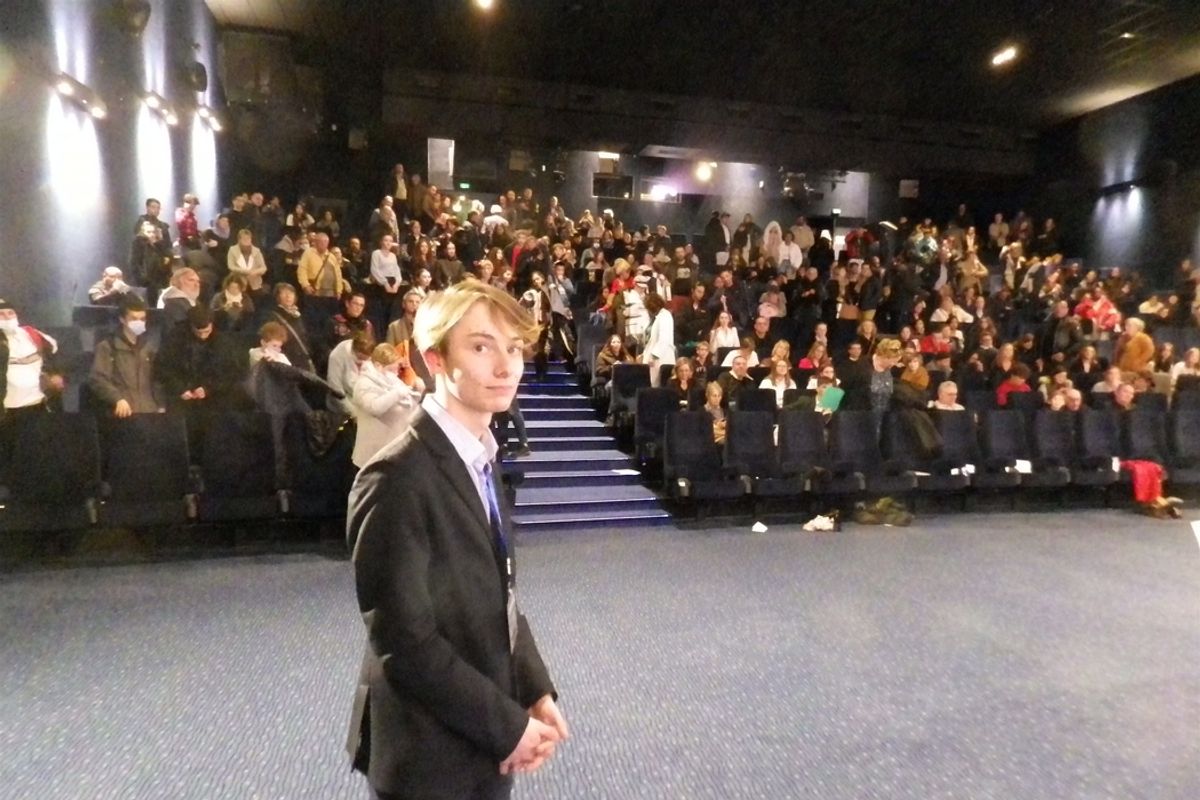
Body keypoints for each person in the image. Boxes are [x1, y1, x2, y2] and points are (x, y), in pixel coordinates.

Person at [345, 282, 566, 799]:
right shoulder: (394, 478)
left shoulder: (483, 457)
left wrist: (533, 688)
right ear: (434, 359)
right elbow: (404, 642)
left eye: (513, 348)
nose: (506, 366)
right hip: (429, 756)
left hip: (486, 735)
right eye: (481, 346)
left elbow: (500, 596)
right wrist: (507, 728)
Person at [89, 295, 163, 416]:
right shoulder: (108, 346)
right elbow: (98, 379)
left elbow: (157, 379)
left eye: (142, 319)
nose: (139, 323)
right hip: (123, 412)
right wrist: (117, 398)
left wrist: (160, 404)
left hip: (149, 410)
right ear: (122, 319)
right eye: (134, 319)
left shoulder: (149, 347)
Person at [349, 343, 420, 468]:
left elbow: (410, 407)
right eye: (392, 368)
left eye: (396, 367)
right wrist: (397, 393)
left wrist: (417, 392)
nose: (396, 373)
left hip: (396, 454)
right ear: (378, 366)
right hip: (373, 457)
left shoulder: (392, 379)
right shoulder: (363, 384)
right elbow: (375, 408)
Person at [641, 292, 675, 388]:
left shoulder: (665, 316)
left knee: (659, 386)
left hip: (661, 359)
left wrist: (654, 355)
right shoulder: (654, 318)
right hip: (651, 359)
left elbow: (664, 339)